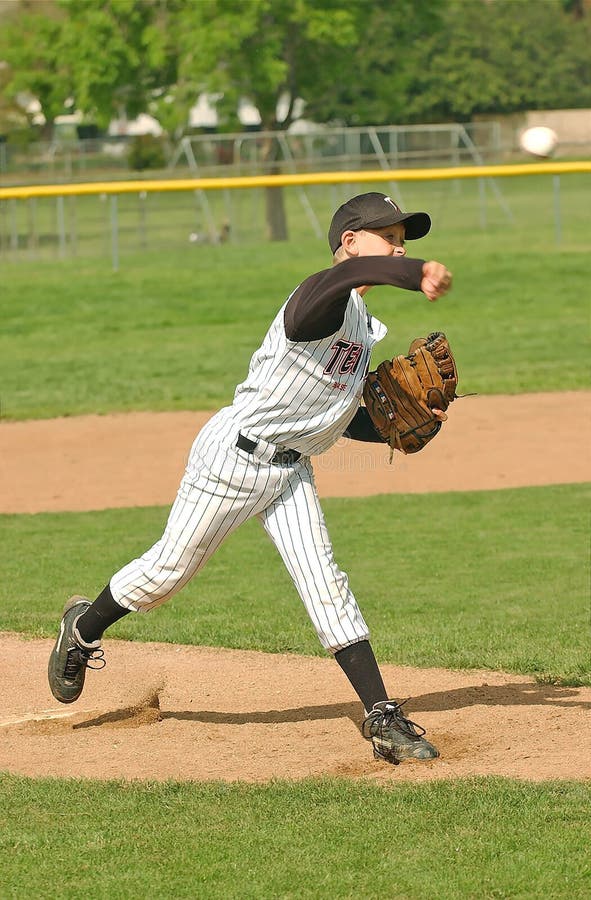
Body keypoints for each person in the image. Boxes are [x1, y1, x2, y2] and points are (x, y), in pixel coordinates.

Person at [48, 191, 452, 765]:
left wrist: (396, 428)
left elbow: (330, 417)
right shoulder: (318, 296)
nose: (398, 243)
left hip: (291, 470)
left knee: (325, 583)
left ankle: (382, 716)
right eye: (387, 235)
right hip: (232, 460)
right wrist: (412, 274)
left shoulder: (360, 326)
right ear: (349, 243)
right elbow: (352, 277)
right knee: (166, 573)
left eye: (402, 238)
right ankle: (82, 629)